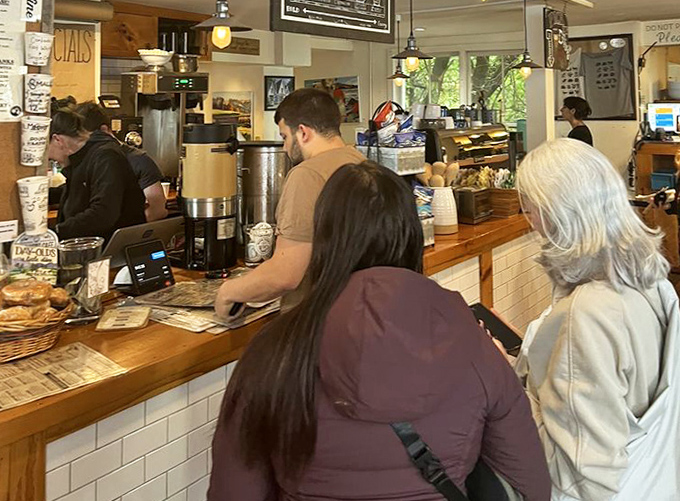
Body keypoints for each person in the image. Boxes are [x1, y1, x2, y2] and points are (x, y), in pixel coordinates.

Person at [208, 162, 551, 501]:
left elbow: (233, 490)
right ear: (412, 236)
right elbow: (530, 484)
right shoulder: (474, 343)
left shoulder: (272, 352)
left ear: (325, 241)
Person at [513, 139, 680, 501]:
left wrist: (507, 388)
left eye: (531, 209)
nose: (531, 223)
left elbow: (580, 477)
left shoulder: (586, 314)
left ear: (561, 213)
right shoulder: (649, 282)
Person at [214, 88, 365, 318]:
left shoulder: (307, 174)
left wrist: (229, 292)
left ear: (303, 132)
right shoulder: (362, 163)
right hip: (354, 311)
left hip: (315, 319)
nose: (284, 147)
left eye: (285, 137)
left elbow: (286, 274)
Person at [49, 109, 146, 241]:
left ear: (58, 140)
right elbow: (81, 191)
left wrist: (56, 232)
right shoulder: (83, 158)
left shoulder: (105, 157)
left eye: (50, 157)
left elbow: (103, 214)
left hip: (112, 251)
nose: (53, 161)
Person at [76, 101, 167, 223]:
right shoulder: (85, 160)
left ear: (104, 130)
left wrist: (124, 230)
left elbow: (157, 210)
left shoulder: (138, 160)